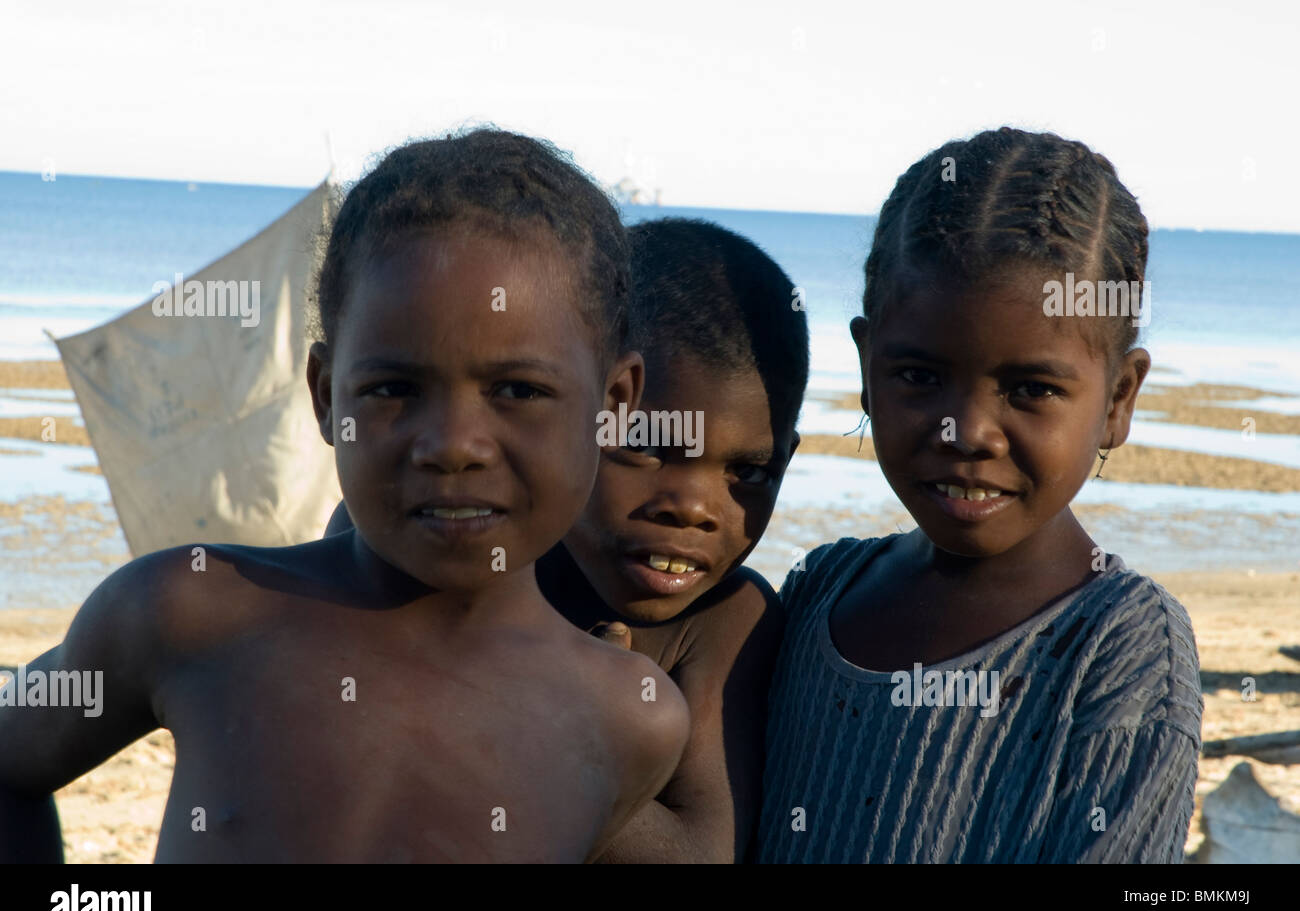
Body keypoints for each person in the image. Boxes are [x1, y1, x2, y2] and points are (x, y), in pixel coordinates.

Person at [0, 129, 689, 863]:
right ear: (327, 397)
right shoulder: (186, 611)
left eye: (518, 390)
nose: (454, 445)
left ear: (613, 404)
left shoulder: (626, 720)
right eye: (394, 388)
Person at [756, 127, 1203, 863]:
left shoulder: (1119, 646)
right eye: (920, 377)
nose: (967, 432)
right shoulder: (818, 593)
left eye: (1032, 389)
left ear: (1119, 399)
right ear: (868, 366)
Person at [537, 219, 808, 862]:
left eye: (749, 471)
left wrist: (549, 734)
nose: (692, 509)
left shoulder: (726, 623)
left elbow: (702, 852)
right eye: (646, 446)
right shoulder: (471, 556)